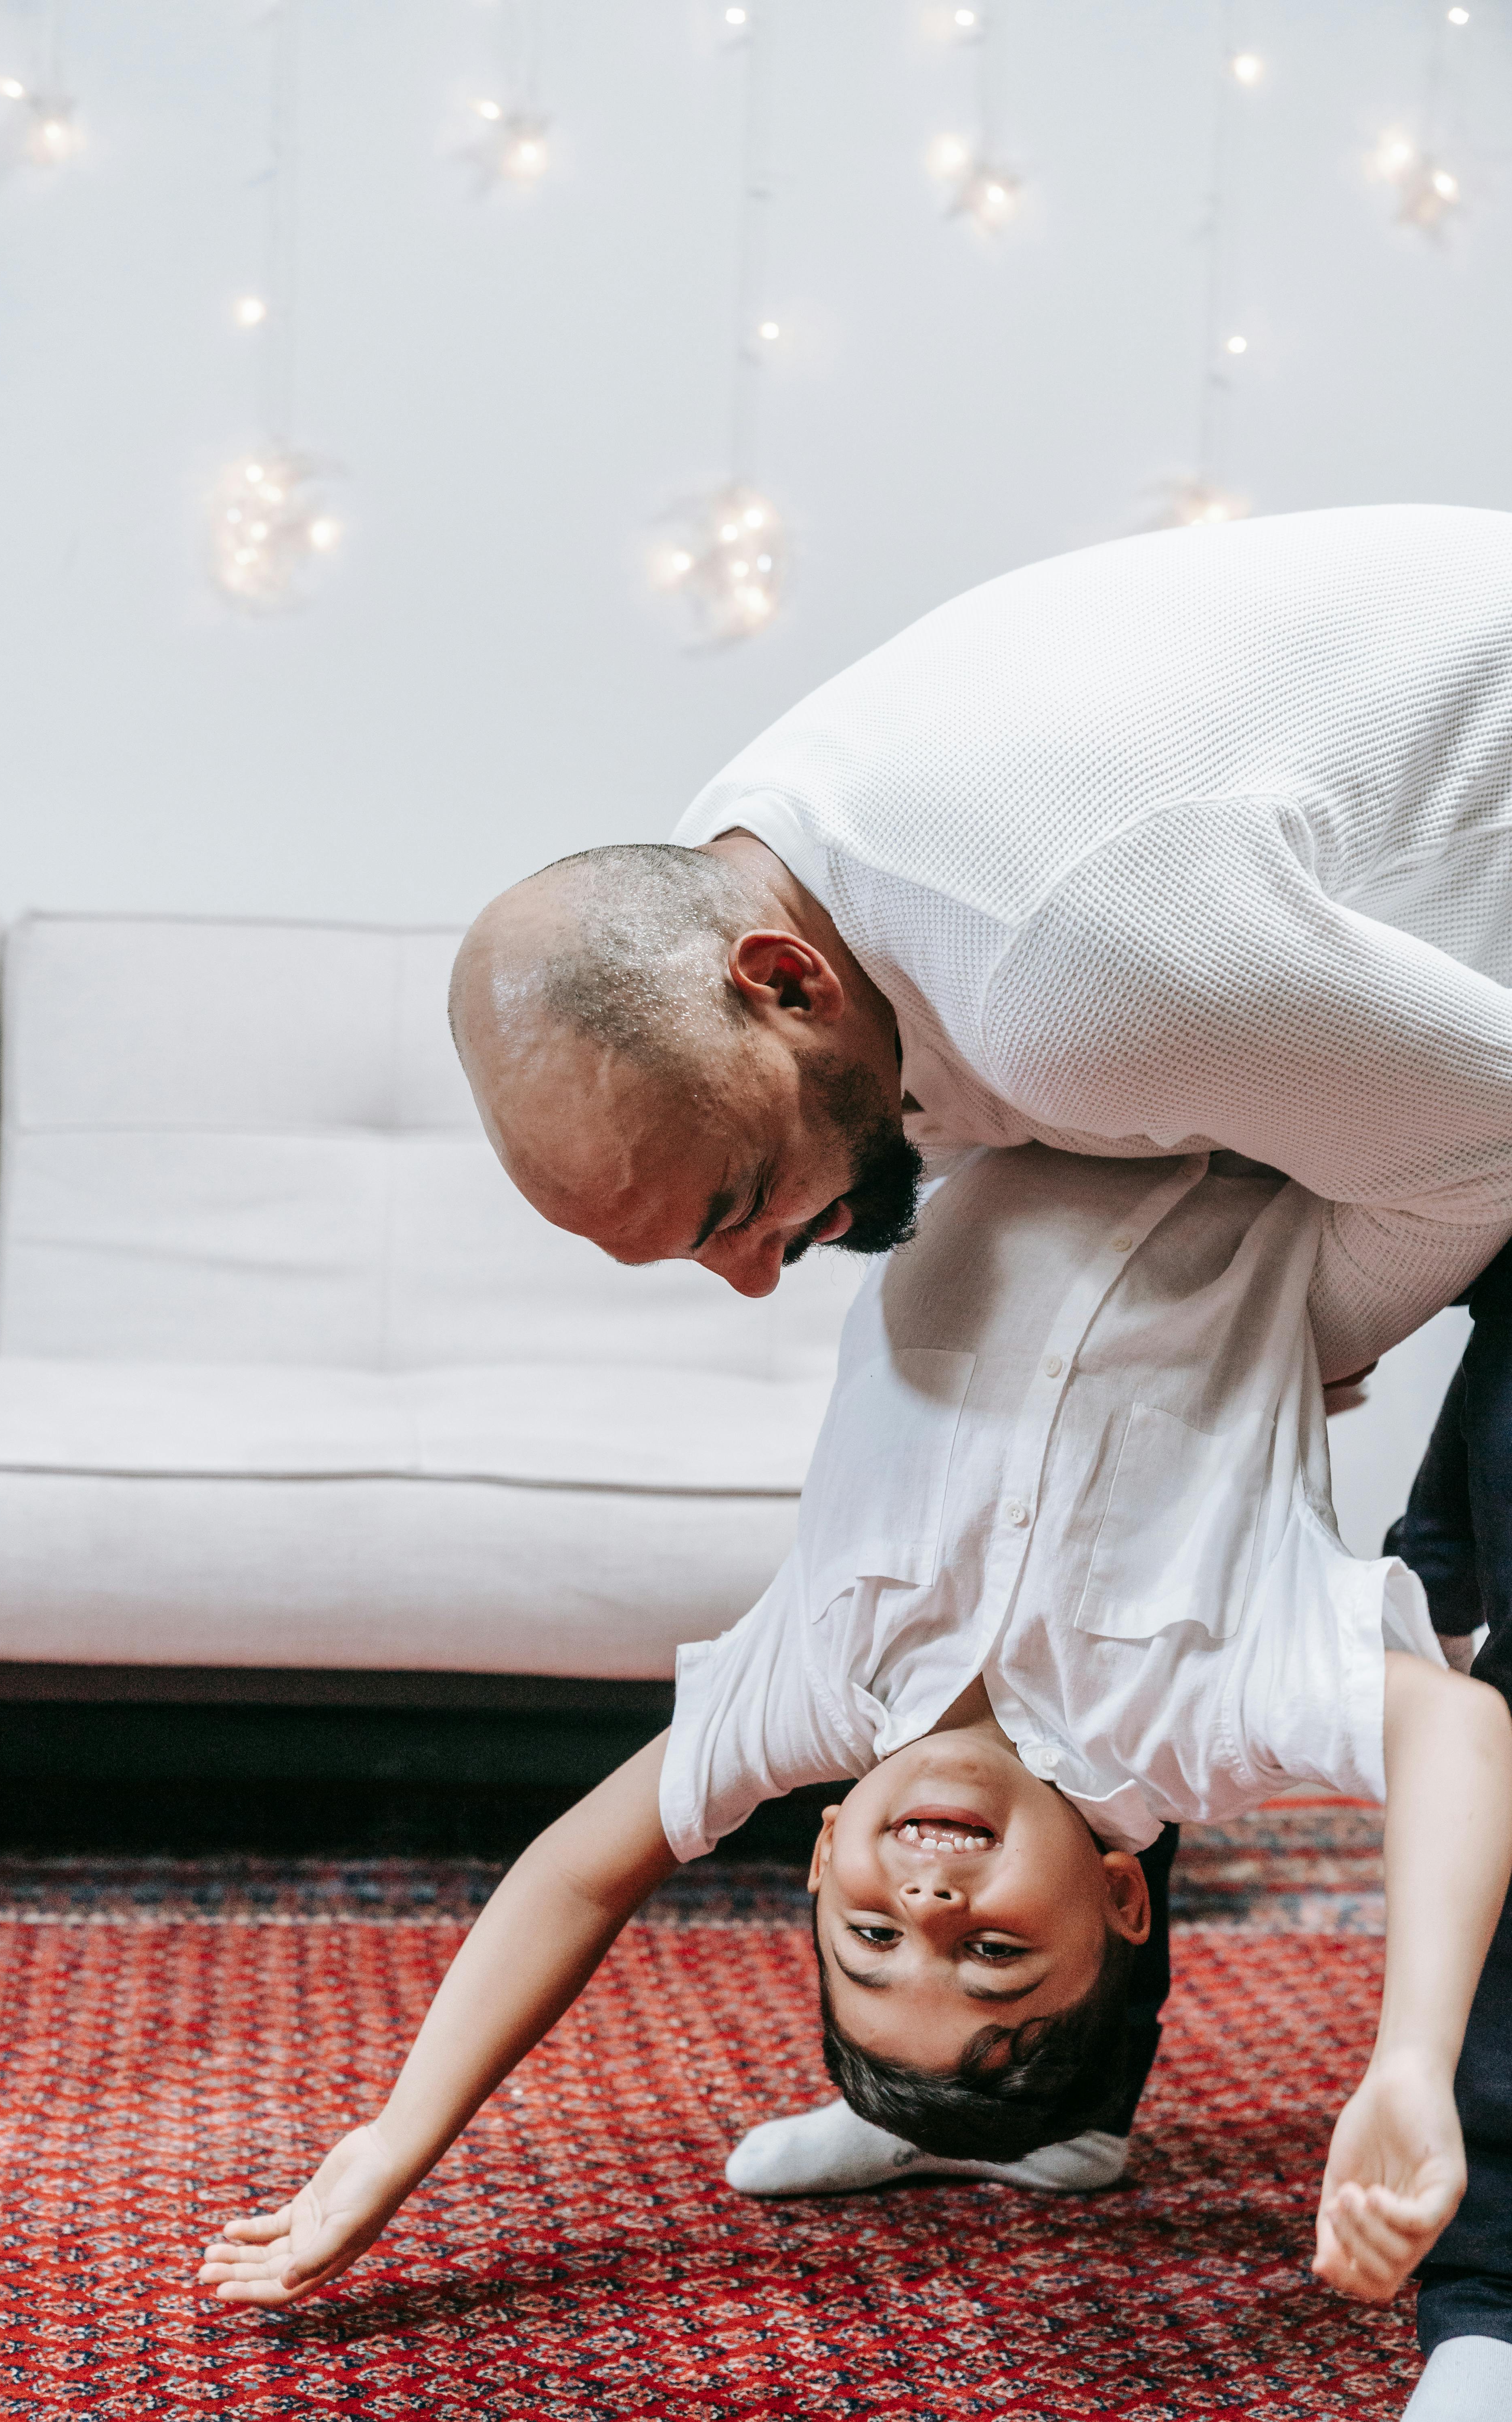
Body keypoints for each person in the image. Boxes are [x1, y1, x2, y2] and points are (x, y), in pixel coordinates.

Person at [445, 503, 1512, 2412]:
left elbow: (1495, 1138)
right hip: (1381, 1001)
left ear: (782, 983)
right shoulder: (744, 882)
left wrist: (1269, 1366)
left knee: (1494, 1634)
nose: (766, 1277)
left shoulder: (1071, 975)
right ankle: (1022, 2111)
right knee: (1121, 1728)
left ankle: (1491, 2285)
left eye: (743, 1205)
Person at [197, 1144, 1512, 2347]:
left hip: (1001, 1115)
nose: (929, 1905)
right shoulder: (1195, 1721)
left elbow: (576, 1875)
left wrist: (395, 2138)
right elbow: (1458, 1726)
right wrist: (1407, 2054)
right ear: (1123, 1896)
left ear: (824, 1856)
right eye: (992, 1952)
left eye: (875, 1941)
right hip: (1254, 1129)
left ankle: (1020, 2124)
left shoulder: (812, 1694)